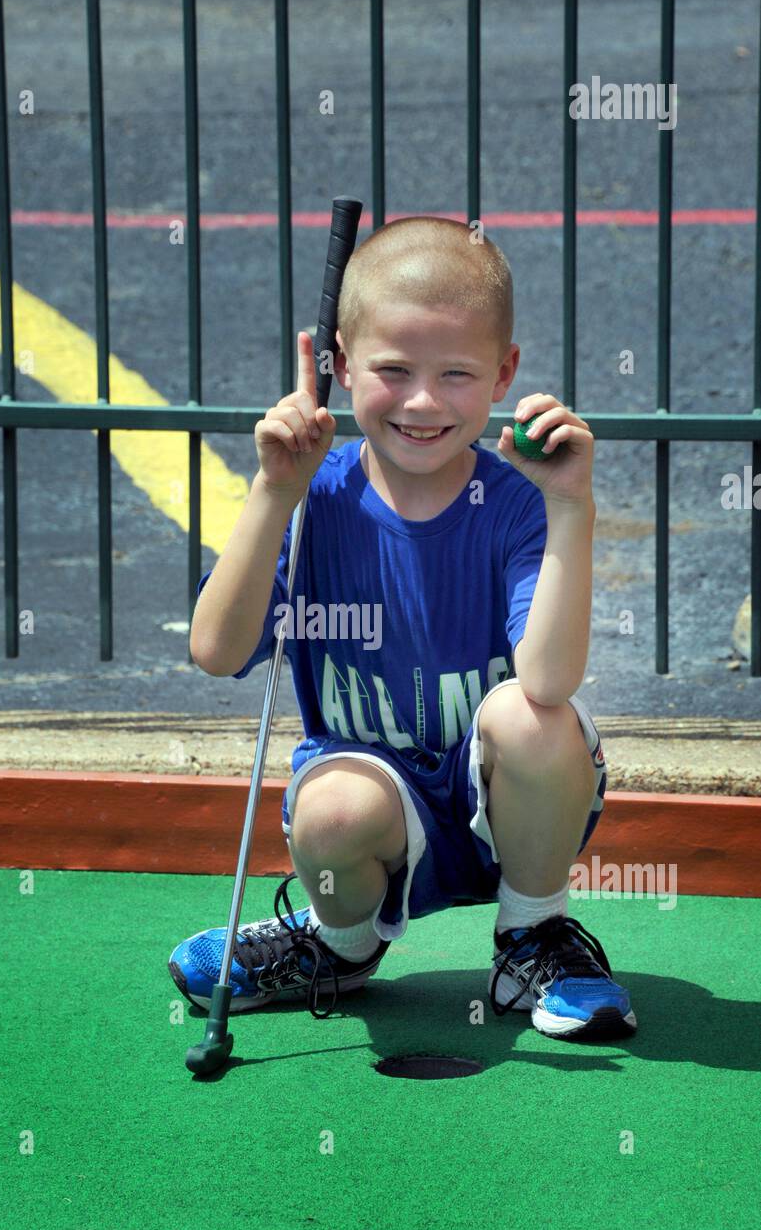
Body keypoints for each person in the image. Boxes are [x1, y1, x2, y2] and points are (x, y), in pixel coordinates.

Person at [169, 217, 636, 1041]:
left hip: (505, 802)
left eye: (457, 372)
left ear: (504, 373)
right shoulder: (315, 498)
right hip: (370, 804)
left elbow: (551, 681)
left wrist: (570, 506)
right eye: (392, 369)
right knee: (332, 810)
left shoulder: (518, 501)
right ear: (337, 364)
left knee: (530, 717)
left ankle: (534, 936)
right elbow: (215, 652)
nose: (423, 401)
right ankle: (338, 947)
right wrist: (272, 492)